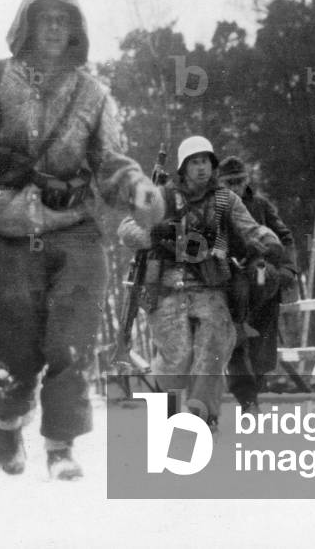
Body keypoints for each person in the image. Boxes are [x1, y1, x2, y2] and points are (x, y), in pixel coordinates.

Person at [0, 0, 164, 480]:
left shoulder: (92, 94)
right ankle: (5, 420)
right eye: (44, 18)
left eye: (62, 20)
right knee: (11, 348)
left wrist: (138, 189)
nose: (53, 28)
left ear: (75, 30)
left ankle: (61, 445)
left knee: (72, 340)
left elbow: (110, 162)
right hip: (0, 230)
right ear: (25, 24)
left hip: (72, 228)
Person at [117, 136, 284, 431]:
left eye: (205, 161)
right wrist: (154, 234)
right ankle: (165, 397)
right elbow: (127, 228)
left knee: (214, 348)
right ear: (184, 167)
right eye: (195, 162)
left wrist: (269, 242)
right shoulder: (163, 196)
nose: (201, 168)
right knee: (177, 358)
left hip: (210, 285)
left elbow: (250, 228)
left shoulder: (224, 199)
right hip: (168, 287)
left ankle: (203, 416)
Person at [217, 155, 299, 413]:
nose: (236, 187)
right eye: (229, 183)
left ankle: (258, 394)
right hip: (231, 286)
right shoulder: (215, 209)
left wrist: (287, 268)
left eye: (240, 181)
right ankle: (247, 401)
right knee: (236, 343)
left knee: (262, 347)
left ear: (247, 180)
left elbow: (285, 237)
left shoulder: (261, 205)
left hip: (264, 284)